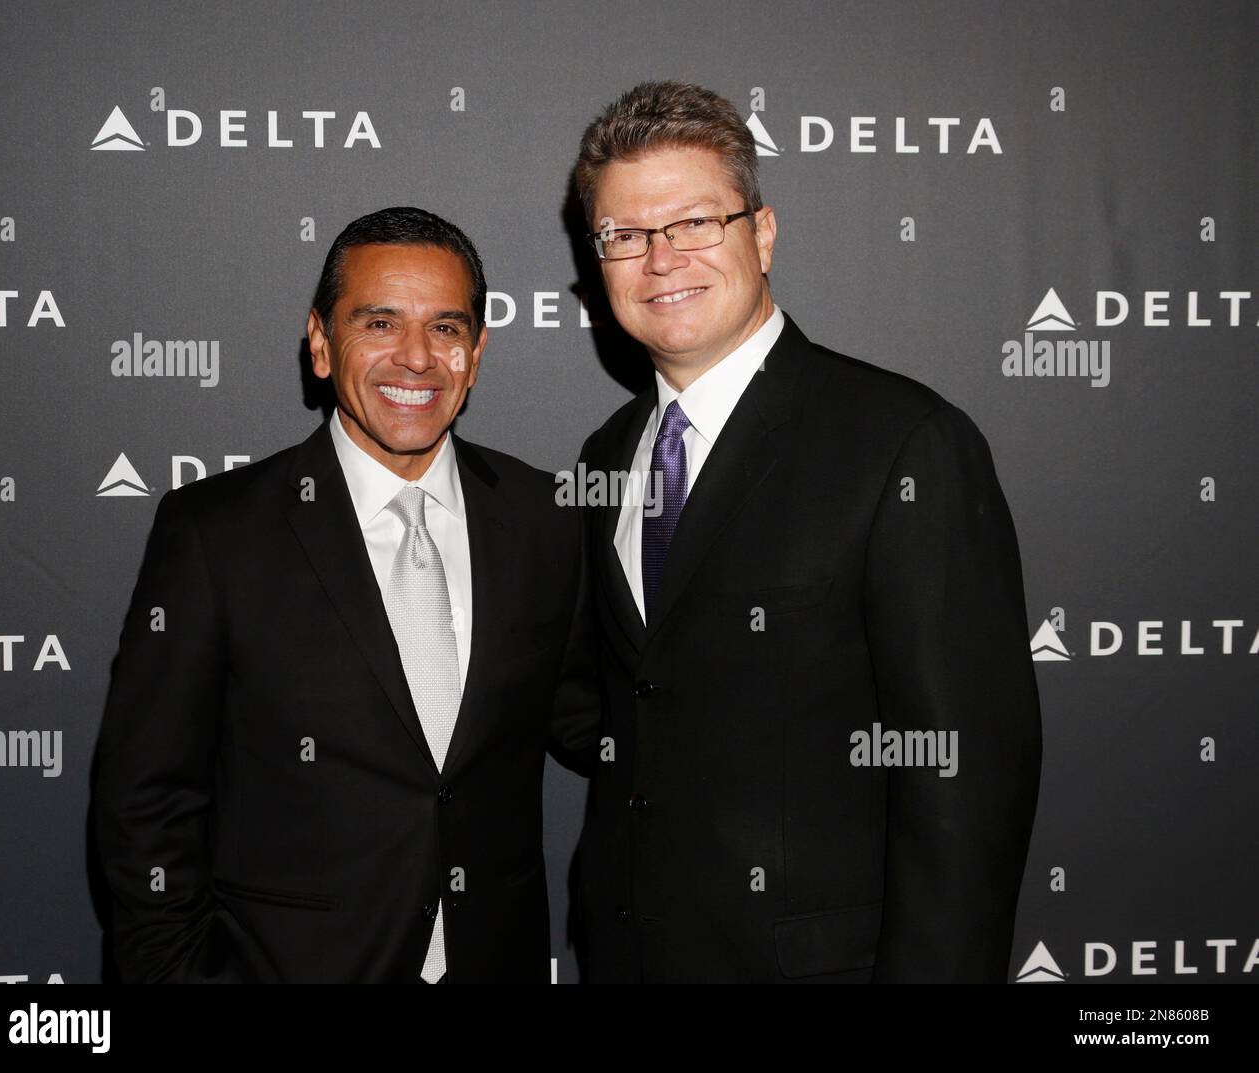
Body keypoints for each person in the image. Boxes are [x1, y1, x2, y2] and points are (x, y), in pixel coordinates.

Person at [570, 81, 1042, 983]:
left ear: (763, 232)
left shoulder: (902, 440)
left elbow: (966, 778)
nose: (661, 258)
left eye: (697, 222)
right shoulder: (609, 453)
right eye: (626, 236)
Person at [93, 206, 598, 983]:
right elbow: (147, 800)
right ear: (322, 344)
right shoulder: (216, 533)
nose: (417, 358)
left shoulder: (544, 517)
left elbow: (594, 716)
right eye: (381, 323)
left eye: (447, 328)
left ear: (478, 351)